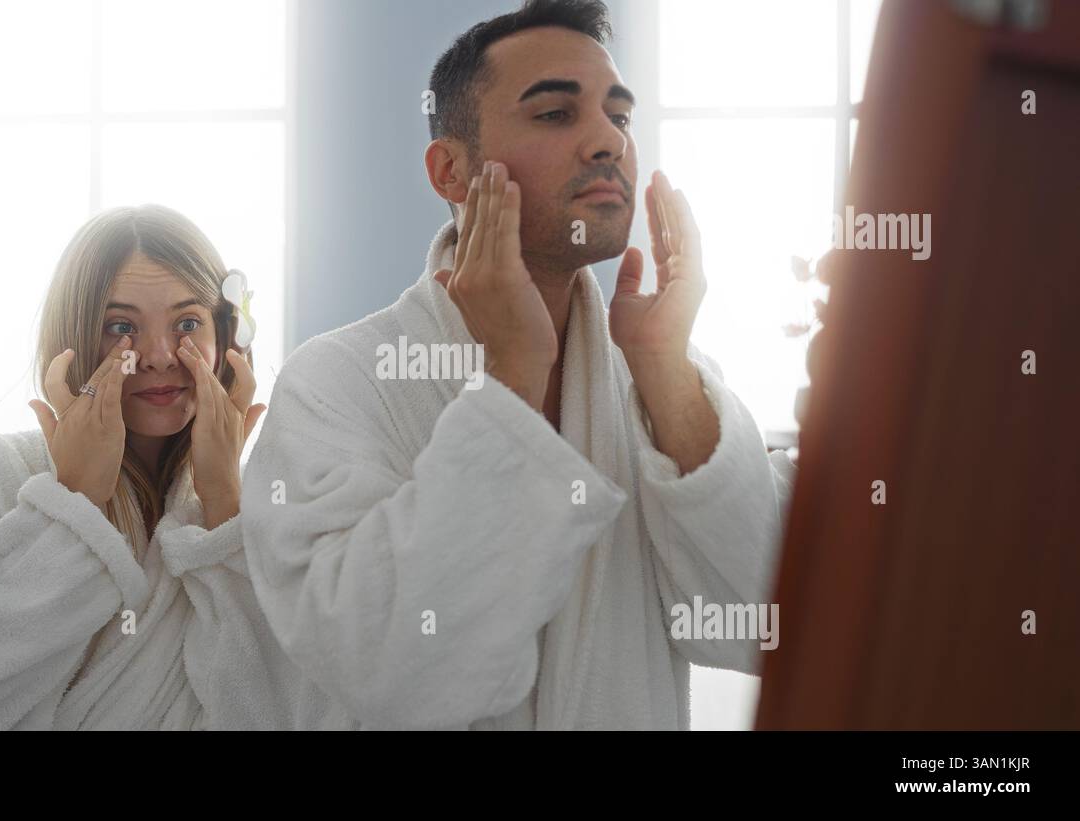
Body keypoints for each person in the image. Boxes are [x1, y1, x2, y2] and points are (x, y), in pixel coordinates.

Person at [241, 0, 796, 729]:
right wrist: (511, 380)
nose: (608, 141)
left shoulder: (658, 383)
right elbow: (388, 670)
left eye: (619, 116)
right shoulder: (337, 384)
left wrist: (668, 378)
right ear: (452, 170)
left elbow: (768, 623)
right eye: (555, 114)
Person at [0, 204, 349, 729]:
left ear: (228, 339)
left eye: (187, 323)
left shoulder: (279, 506)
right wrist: (70, 507)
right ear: (72, 339)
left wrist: (225, 510)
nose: (158, 355)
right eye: (120, 326)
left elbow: (300, 712)